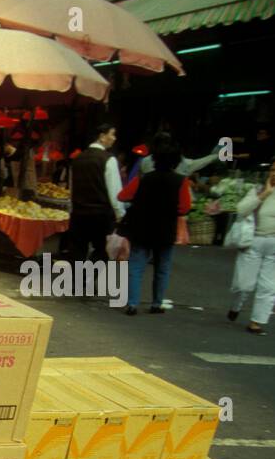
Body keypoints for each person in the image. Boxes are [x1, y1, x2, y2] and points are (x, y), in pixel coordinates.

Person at [117, 133, 191, 316]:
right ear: (176, 161)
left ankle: (132, 304)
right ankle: (156, 304)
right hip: (166, 231)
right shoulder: (181, 182)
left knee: (136, 267)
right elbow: (184, 208)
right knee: (162, 269)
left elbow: (122, 196)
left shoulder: (143, 179)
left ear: (154, 158)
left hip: (142, 228)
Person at [228, 162, 275, 336]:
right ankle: (236, 306)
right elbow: (241, 210)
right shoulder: (257, 189)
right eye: (273, 169)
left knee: (270, 287)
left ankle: (256, 322)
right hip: (253, 241)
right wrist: (265, 194)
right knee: (244, 284)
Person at [66, 123, 125, 263]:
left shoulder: (78, 159)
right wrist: (120, 214)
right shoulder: (108, 159)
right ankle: (87, 276)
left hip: (79, 212)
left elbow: (72, 188)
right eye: (112, 134)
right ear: (102, 136)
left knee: (78, 249)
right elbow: (115, 191)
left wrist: (71, 208)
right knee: (102, 250)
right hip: (101, 214)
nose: (114, 138)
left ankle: (77, 282)